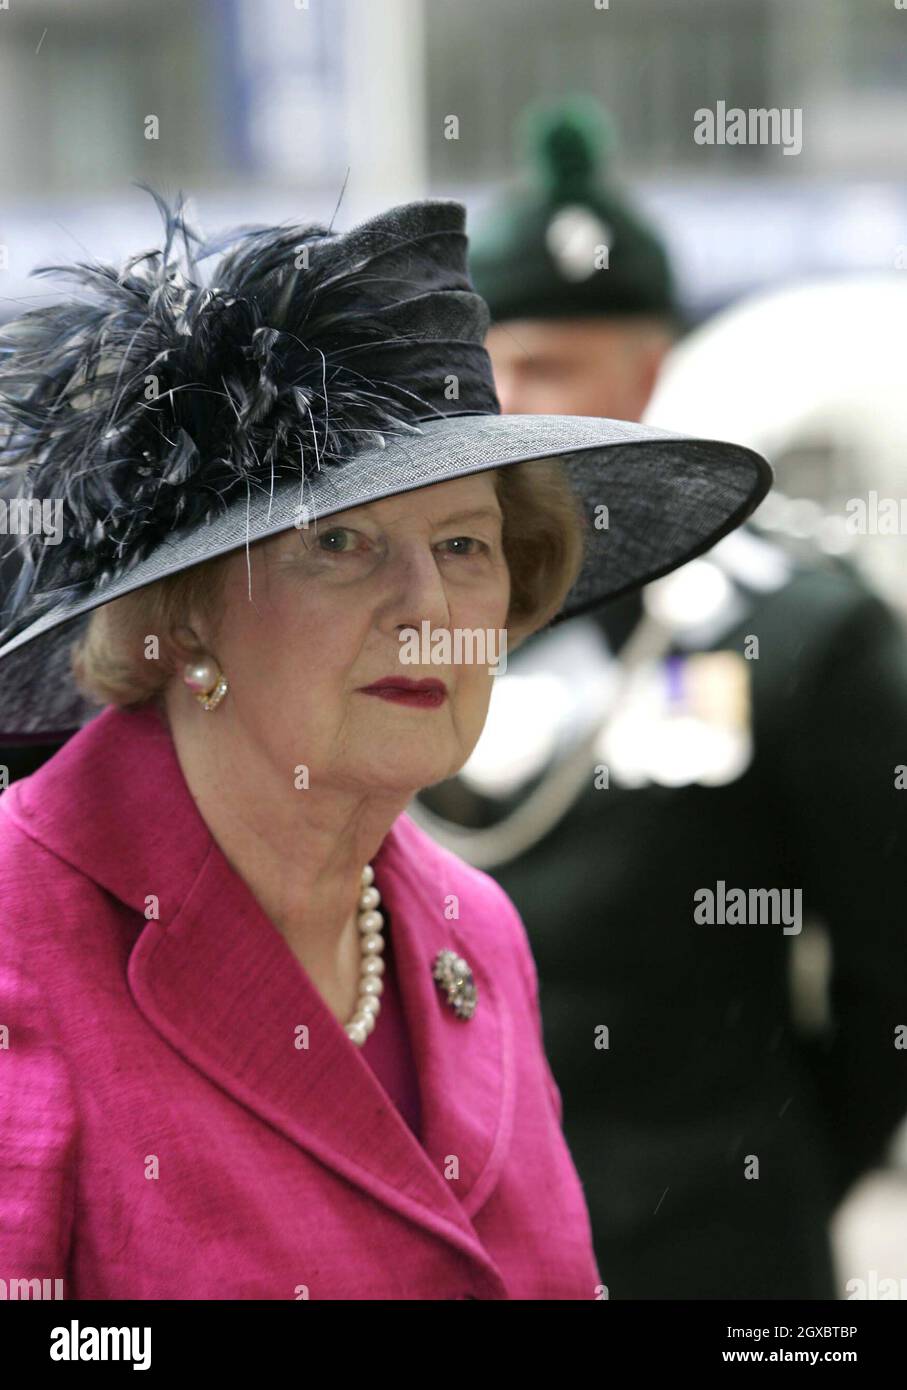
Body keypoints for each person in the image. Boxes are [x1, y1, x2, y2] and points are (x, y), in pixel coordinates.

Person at [0, 190, 769, 1300]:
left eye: (463, 541)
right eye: (341, 541)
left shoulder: (476, 929)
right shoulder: (22, 939)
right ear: (188, 611)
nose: (427, 608)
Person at [413, 97, 907, 1299]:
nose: (514, 404)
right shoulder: (398, 614)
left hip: (715, 1251)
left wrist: (773, 1167)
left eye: (551, 366)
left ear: (647, 371)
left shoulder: (799, 631)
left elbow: (888, 966)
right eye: (492, 368)